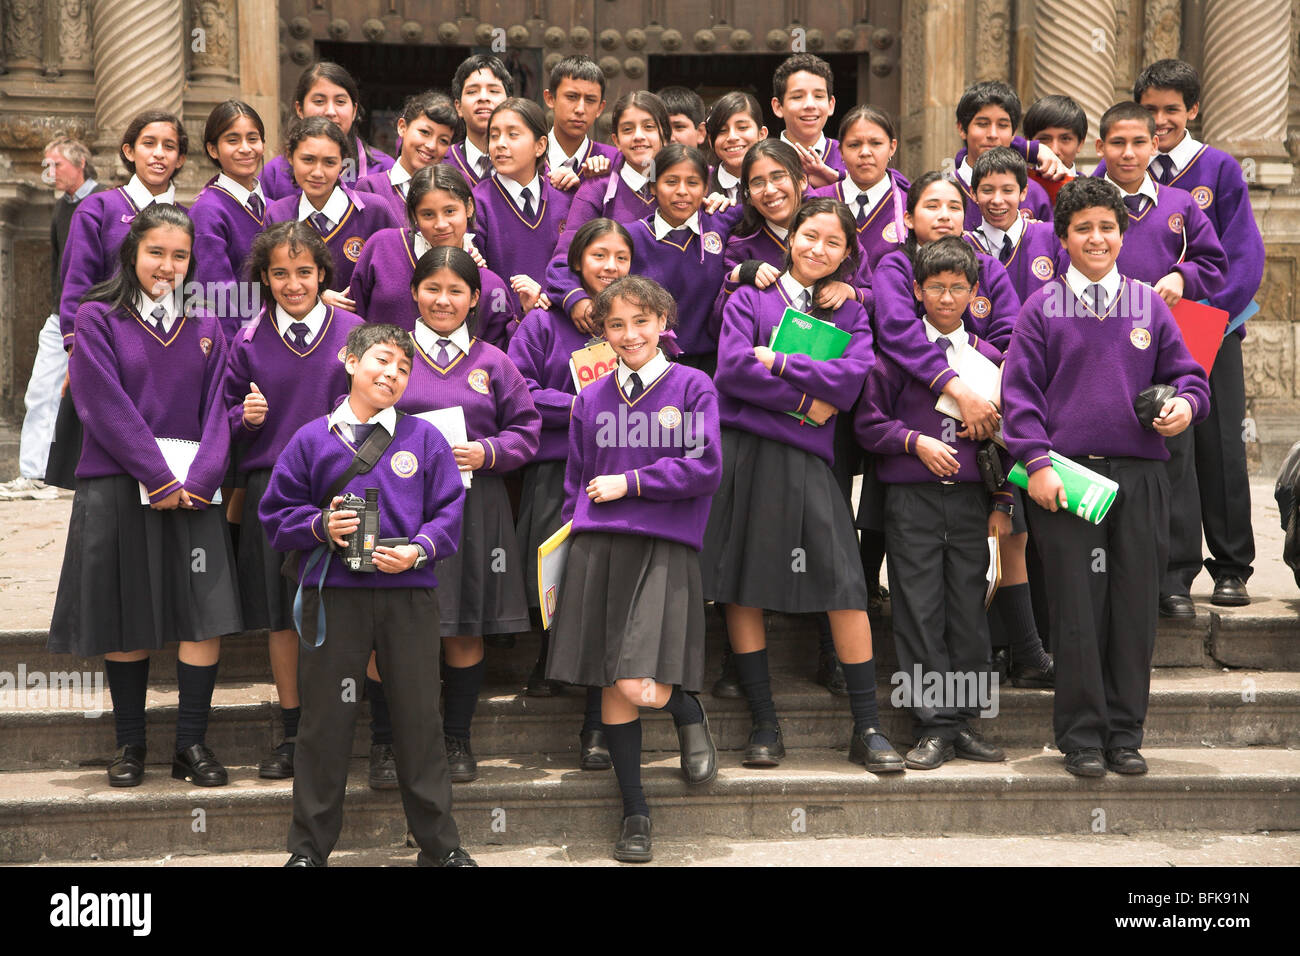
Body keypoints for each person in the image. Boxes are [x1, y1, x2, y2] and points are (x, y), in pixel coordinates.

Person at [1001, 177, 1210, 777]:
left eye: (1107, 227)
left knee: (1134, 606)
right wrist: (1036, 466)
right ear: (1063, 238)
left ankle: (1125, 733)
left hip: (1141, 478)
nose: (1097, 237)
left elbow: (1190, 378)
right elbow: (1020, 399)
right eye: (1083, 228)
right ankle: (1082, 736)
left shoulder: (1148, 305)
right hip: (1066, 481)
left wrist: (1184, 408)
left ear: (1122, 234)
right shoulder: (1042, 308)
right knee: (1075, 608)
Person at [259, 322, 475, 867]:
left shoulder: (423, 438)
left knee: (419, 718)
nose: (393, 374)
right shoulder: (311, 438)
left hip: (408, 592)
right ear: (350, 361)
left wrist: (420, 549)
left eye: (404, 368)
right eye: (383, 360)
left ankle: (441, 848)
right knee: (324, 723)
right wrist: (319, 526)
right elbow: (275, 514)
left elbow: (450, 511)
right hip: (336, 592)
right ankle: (308, 850)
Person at [702, 198, 904, 773]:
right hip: (746, 456)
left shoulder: (849, 315)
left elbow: (848, 382)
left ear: (847, 253)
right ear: (791, 237)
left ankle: (866, 727)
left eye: (833, 243)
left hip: (813, 463)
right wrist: (801, 402)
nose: (818, 249)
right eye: (809, 236)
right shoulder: (749, 299)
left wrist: (783, 366)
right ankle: (765, 723)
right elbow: (733, 372)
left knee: (844, 586)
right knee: (741, 586)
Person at [48, 202, 240, 789]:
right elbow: (101, 404)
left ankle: (190, 745)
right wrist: (156, 476)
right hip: (120, 483)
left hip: (191, 491)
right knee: (127, 613)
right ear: (131, 252)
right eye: (156, 251)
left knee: (201, 617)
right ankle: (129, 744)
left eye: (180, 255)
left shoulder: (208, 325)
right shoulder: (99, 316)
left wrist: (201, 480)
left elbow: (220, 410)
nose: (167, 265)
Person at [545, 275, 722, 862]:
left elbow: (705, 468)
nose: (629, 334)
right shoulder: (589, 399)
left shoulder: (693, 385)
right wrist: (565, 549)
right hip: (598, 547)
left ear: (663, 324)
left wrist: (633, 483)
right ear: (602, 330)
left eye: (641, 322)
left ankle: (685, 706)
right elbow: (576, 481)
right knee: (611, 679)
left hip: (664, 543)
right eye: (615, 324)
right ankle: (635, 810)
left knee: (635, 679)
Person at [856, 237, 1011, 768]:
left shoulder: (988, 361)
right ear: (917, 291)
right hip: (911, 501)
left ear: (974, 293)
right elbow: (868, 424)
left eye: (958, 288)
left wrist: (1002, 501)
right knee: (918, 611)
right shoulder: (895, 358)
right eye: (936, 288)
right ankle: (932, 725)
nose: (947, 298)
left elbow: (1009, 441)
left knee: (968, 613)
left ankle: (965, 723)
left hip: (971, 502)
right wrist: (913, 442)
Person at [224, 221, 363, 779]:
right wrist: (243, 418)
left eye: (304, 272)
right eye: (280, 273)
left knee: (349, 610)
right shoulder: (249, 340)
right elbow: (225, 418)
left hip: (342, 488)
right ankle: (293, 733)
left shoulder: (354, 331)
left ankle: (352, 730)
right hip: (272, 491)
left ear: (323, 275)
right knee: (282, 618)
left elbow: (377, 404)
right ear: (264, 277)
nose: (293, 283)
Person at [396, 246, 541, 782]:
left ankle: (455, 738)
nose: (443, 299)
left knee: (462, 626)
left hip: (472, 506)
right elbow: (356, 415)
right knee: (393, 628)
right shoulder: (390, 353)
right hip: (398, 506)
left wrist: (489, 452)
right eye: (432, 288)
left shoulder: (493, 361)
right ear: (414, 292)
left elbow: (527, 431)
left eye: (456, 290)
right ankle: (391, 743)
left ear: (475, 298)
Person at [1135, 58, 1265, 610]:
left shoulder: (1219, 169)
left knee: (1221, 447)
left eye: (1171, 110)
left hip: (1210, 327)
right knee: (1172, 444)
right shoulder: (1120, 171)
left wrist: (1209, 315)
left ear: (1192, 111)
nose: (1159, 121)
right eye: (1149, 110)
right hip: (1143, 334)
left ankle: (1232, 565)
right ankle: (1175, 570)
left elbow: (1243, 256)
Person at [1093, 100, 1230, 620]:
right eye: (1117, 143)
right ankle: (1107, 572)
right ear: (1101, 147)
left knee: (1175, 460)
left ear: (1156, 146)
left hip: (1166, 350)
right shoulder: (1087, 201)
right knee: (1110, 457)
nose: (1128, 153)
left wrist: (1183, 277)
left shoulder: (1180, 206)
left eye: (1139, 143)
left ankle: (1174, 578)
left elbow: (1213, 262)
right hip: (1100, 350)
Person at [509, 218, 633, 756]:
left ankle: (596, 721)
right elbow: (521, 393)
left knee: (600, 584)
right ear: (578, 262)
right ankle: (548, 653)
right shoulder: (542, 325)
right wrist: (585, 405)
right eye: (599, 255)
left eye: (621, 257)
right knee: (551, 570)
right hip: (553, 466)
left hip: (619, 476)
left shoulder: (638, 323)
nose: (610, 267)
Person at [46, 109, 189, 492]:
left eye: (169, 146)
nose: (158, 154)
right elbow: (76, 285)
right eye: (148, 144)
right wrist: (76, 351)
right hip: (106, 348)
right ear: (129, 151)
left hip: (166, 353)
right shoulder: (99, 209)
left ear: (181, 159)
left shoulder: (189, 219)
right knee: (112, 467)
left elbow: (194, 293)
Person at [1, 135, 103, 500]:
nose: (49, 172)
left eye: (55, 164)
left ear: (79, 164)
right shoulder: (63, 207)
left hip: (99, 316)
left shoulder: (102, 202)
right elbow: (60, 267)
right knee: (41, 391)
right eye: (47, 165)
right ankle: (35, 472)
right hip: (62, 314)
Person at [351, 164, 525, 345]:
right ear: (414, 216)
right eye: (428, 214)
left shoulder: (489, 284)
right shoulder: (382, 248)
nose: (441, 224)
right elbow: (352, 313)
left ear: (469, 207)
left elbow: (497, 354)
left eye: (450, 211)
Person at [263, 117, 400, 298]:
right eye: (308, 160)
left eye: (329, 162)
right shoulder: (278, 214)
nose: (318, 172)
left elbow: (398, 276)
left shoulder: (375, 211)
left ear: (343, 165)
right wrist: (317, 297)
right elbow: (266, 283)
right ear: (290, 157)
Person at [472, 98, 573, 317]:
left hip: (560, 325)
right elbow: (477, 280)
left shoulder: (565, 199)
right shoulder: (477, 203)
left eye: (513, 134)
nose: (500, 143)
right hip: (499, 331)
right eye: (494, 135)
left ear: (540, 145)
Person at [190, 100, 269, 341]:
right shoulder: (208, 211)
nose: (245, 149)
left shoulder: (275, 207)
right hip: (239, 342)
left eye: (253, 139)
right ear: (213, 149)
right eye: (233, 140)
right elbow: (216, 297)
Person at [261, 61, 394, 201]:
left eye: (340, 102)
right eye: (319, 101)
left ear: (354, 111)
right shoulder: (275, 173)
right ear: (300, 109)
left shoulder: (384, 169)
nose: (330, 111)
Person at [809, 105, 911, 277]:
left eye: (876, 143)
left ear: (892, 147)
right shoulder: (817, 200)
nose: (865, 152)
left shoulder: (909, 205)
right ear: (840, 151)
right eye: (854, 145)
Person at [952, 80, 1055, 224]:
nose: (993, 134)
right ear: (962, 129)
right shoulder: (945, 190)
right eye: (982, 124)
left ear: (1013, 134)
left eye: (1003, 125)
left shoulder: (1034, 193)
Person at [354, 91, 457, 224]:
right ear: (402, 127)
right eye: (425, 132)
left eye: (443, 140)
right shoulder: (370, 187)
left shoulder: (453, 187)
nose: (432, 146)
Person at [542, 55, 618, 188]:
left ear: (600, 108)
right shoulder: (528, 157)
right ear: (550, 99)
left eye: (590, 100)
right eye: (571, 97)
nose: (580, 109)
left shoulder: (613, 160)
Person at [772, 53, 845, 186]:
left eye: (818, 96)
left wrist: (835, 178)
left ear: (831, 105)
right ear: (778, 107)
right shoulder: (762, 157)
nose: (810, 105)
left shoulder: (848, 153)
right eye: (797, 97)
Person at [442, 54, 514, 187]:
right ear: (458, 107)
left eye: (493, 91)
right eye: (472, 92)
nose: (483, 97)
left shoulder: (531, 162)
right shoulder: (439, 162)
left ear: (509, 104)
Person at [704, 91, 768, 203]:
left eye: (742, 127)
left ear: (762, 134)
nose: (732, 137)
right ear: (710, 141)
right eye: (722, 131)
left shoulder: (780, 180)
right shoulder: (701, 185)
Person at [1024, 94, 1087, 179]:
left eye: (1065, 139)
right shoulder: (1019, 187)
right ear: (1028, 142)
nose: (1054, 150)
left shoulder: (1091, 190)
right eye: (1044, 139)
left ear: (1080, 144)